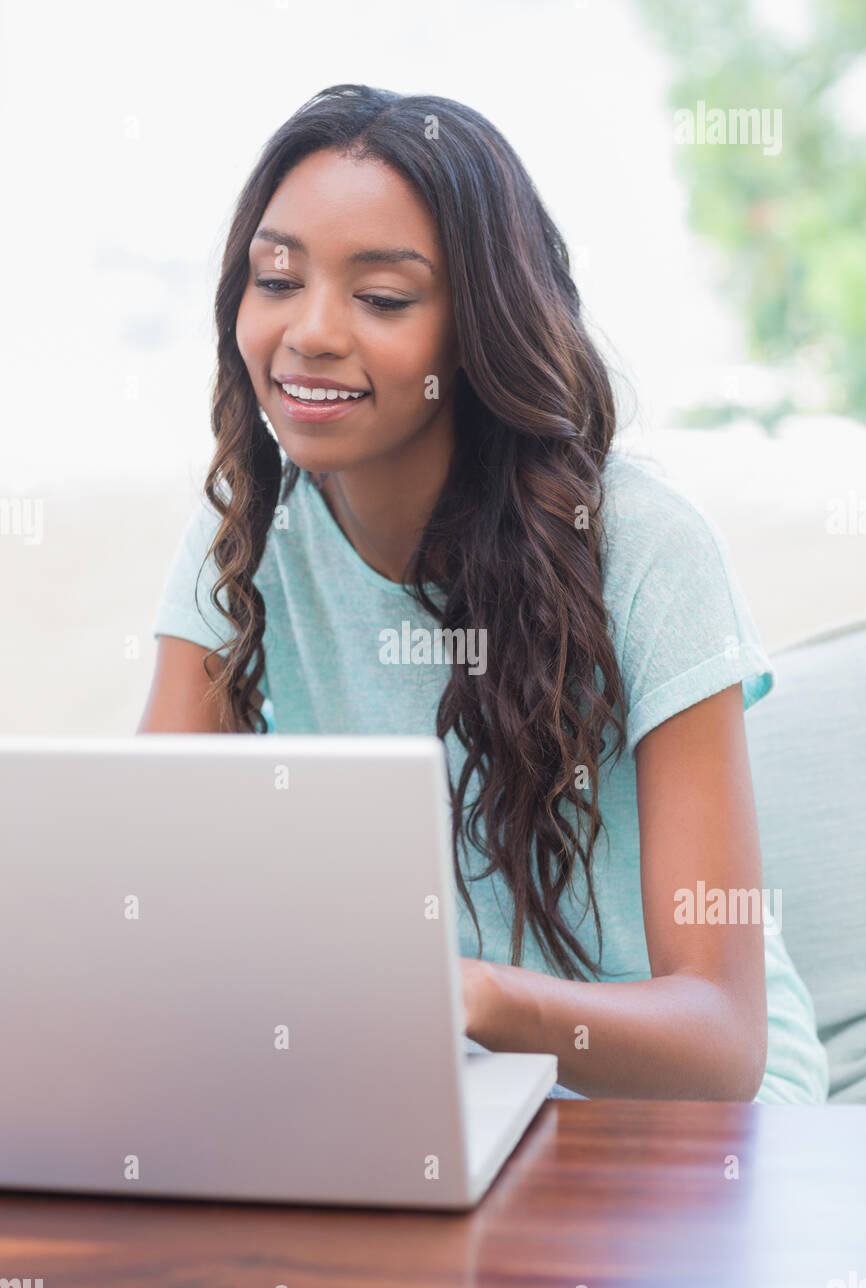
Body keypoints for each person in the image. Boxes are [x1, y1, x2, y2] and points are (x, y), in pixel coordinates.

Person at [140, 83, 828, 1104]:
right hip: (421, 1095)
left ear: (482, 331)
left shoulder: (640, 545)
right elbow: (139, 880)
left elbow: (723, 1039)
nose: (310, 332)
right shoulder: (248, 531)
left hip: (684, 1129)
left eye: (381, 298)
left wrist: (468, 1001)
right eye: (275, 278)